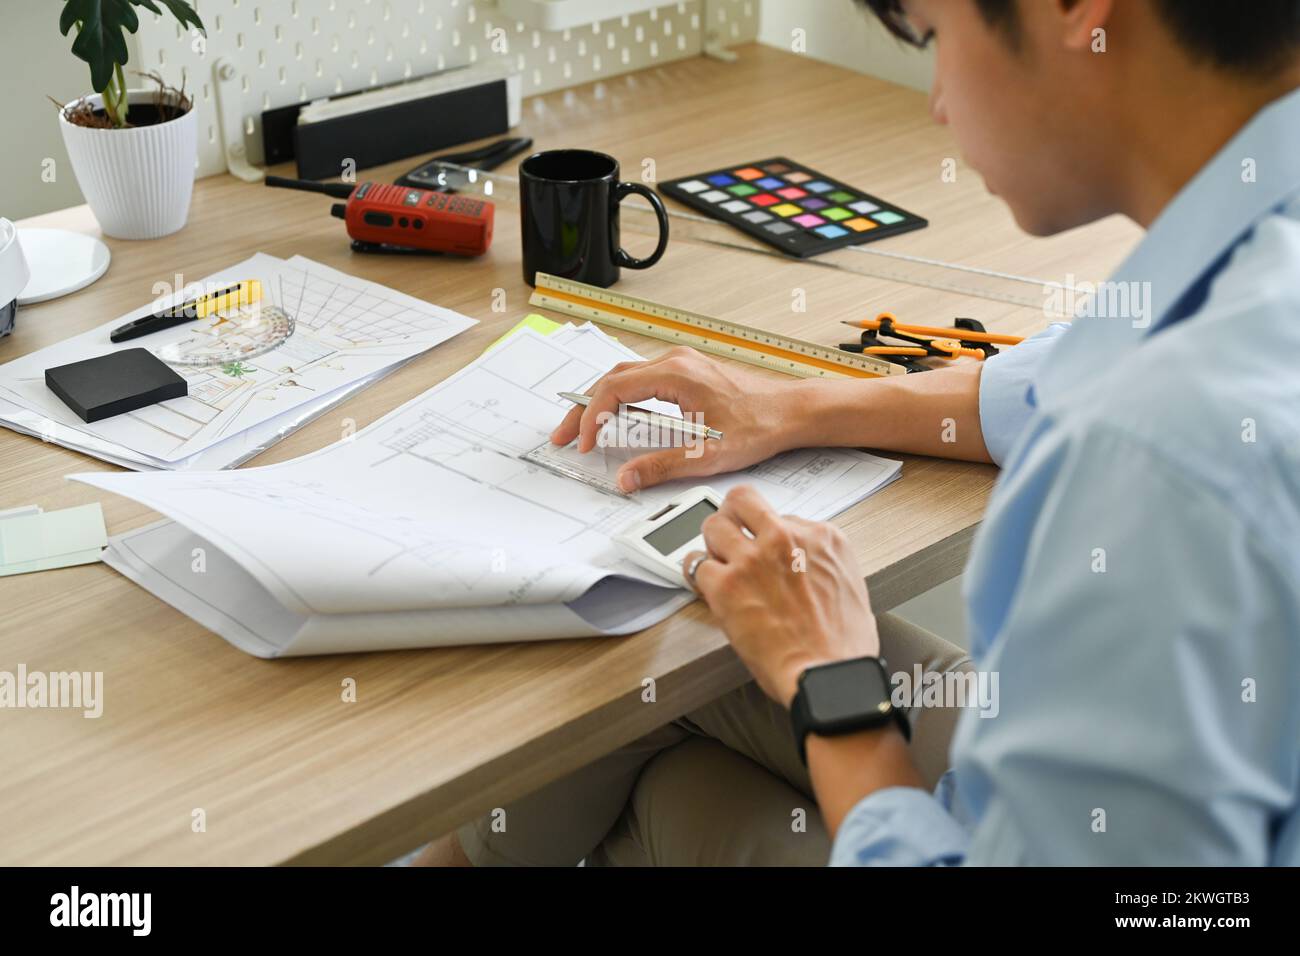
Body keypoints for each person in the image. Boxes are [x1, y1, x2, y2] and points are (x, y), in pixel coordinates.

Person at [420, 0, 1300, 866]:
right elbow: (1057, 376)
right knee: (668, 711)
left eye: (931, 37)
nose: (939, 101)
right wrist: (795, 405)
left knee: (662, 755)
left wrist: (830, 683)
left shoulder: (1161, 447)